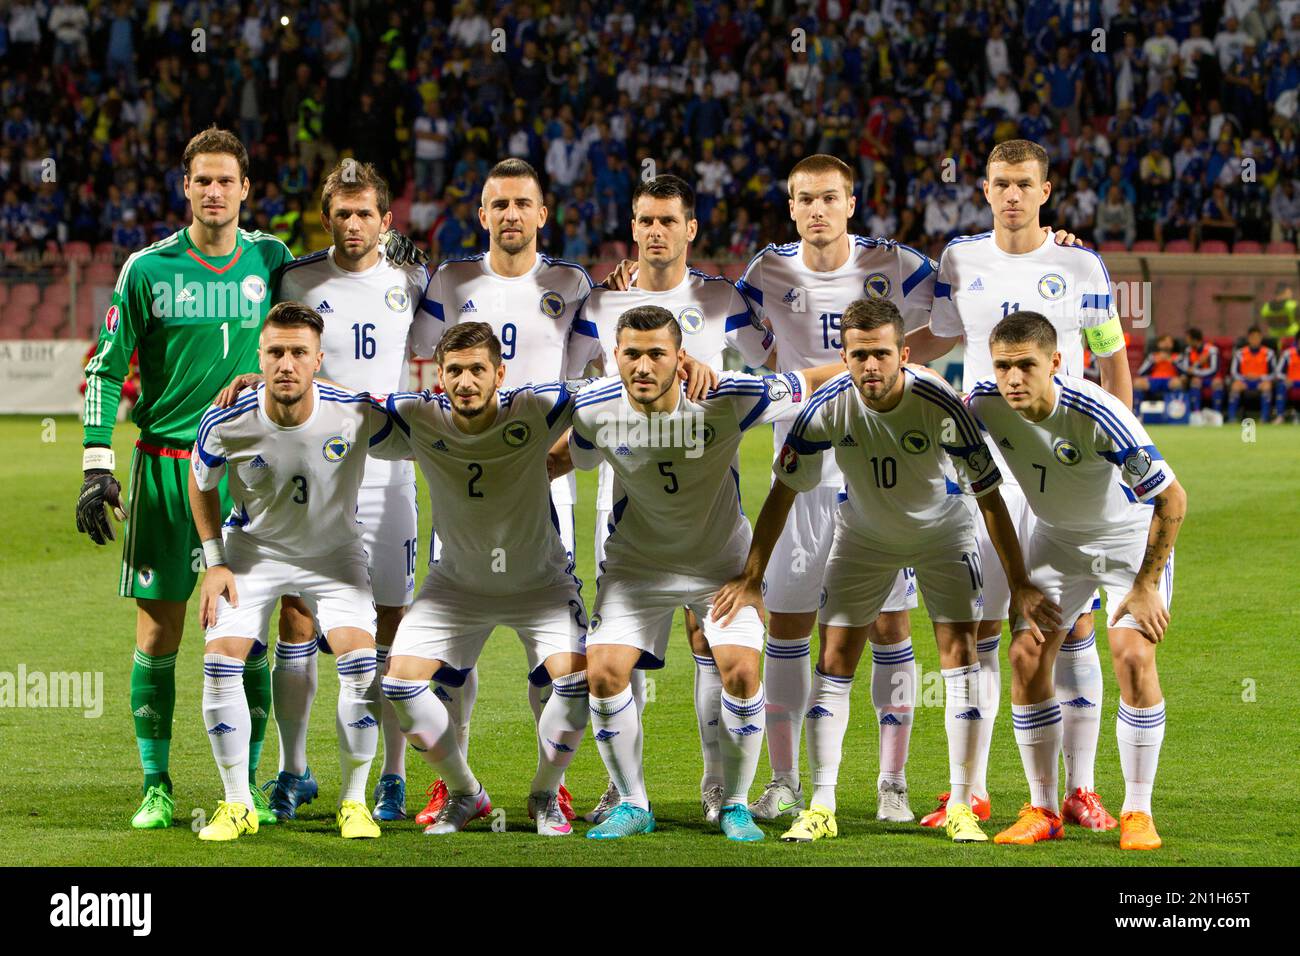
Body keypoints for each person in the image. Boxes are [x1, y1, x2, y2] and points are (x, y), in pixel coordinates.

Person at [713, 298, 1058, 845]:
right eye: (857, 355)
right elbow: (783, 492)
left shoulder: (939, 403)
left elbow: (990, 498)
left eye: (880, 353)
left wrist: (1017, 584)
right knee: (834, 660)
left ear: (903, 353)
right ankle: (821, 804)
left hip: (943, 533)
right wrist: (753, 578)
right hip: (863, 537)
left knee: (960, 659)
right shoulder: (828, 406)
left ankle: (962, 804)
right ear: (844, 356)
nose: (869, 366)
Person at [906, 139, 1132, 831]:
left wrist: (1121, 454)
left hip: (1066, 471)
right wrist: (860, 364)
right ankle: (967, 790)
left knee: (1072, 627)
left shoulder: (1079, 262)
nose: (1010, 194)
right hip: (980, 469)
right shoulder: (960, 259)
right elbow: (938, 340)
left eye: (1023, 184)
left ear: (1045, 189)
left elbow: (1111, 359)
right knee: (975, 628)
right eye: (1000, 183)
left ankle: (1081, 789)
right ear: (984, 187)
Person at [557, 305, 842, 841]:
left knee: (739, 671)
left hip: (719, 567)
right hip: (636, 567)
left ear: (679, 358)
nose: (643, 366)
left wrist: (864, 361)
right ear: (614, 356)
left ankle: (734, 803)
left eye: (656, 354)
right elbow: (549, 449)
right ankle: (634, 804)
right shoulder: (592, 406)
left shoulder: (729, 397)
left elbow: (808, 379)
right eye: (632, 354)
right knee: (603, 672)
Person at [77, 129, 292, 830]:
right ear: (186, 186)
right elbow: (106, 368)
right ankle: (156, 785)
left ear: (245, 189)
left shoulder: (273, 259)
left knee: (248, 633)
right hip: (168, 468)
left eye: (226, 180)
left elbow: (318, 322)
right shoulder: (148, 269)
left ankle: (250, 784)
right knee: (157, 631)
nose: (214, 191)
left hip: (250, 473)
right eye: (202, 179)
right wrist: (94, 463)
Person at [218, 160, 435, 824]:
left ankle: (392, 778)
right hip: (308, 476)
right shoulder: (299, 279)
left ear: (384, 220)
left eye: (364, 213)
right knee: (296, 618)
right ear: (325, 217)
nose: (351, 225)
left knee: (389, 625)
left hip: (387, 476)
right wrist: (252, 381)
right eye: (340, 213)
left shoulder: (414, 278)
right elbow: (278, 348)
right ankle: (293, 768)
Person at [565, 175, 774, 825]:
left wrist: (725, 379)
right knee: (618, 650)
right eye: (645, 220)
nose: (655, 231)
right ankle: (621, 788)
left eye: (668, 221)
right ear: (633, 228)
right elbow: (571, 379)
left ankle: (718, 787)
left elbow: (774, 359)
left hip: (708, 490)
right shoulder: (601, 304)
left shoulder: (720, 299)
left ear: (690, 229)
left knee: (706, 638)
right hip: (626, 493)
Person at [733, 154, 932, 823]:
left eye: (828, 198)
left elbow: (959, 312)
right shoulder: (766, 270)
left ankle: (892, 786)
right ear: (790, 208)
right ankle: (786, 781)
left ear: (852, 203)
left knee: (888, 624)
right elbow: (731, 332)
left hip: (877, 468)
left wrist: (884, 372)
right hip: (799, 465)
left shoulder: (897, 263)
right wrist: (798, 386)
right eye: (803, 199)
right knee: (787, 624)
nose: (816, 210)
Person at [409, 158, 594, 826]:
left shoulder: (572, 284)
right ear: (481, 214)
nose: (511, 214)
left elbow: (590, 387)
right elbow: (429, 368)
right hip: (468, 488)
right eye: (499, 204)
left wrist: (558, 455)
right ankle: (453, 784)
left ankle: (555, 784)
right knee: (451, 655)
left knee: (551, 655)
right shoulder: (453, 281)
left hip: (547, 489)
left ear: (543, 214)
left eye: (523, 203)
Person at [966, 312, 1185, 851]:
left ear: (1056, 363)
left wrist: (1145, 585)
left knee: (1132, 654)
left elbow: (1172, 500)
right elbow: (989, 496)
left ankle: (1138, 810)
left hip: (1126, 538)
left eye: (1026, 366)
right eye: (1003, 366)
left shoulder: (1096, 413)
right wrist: (1018, 581)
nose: (1013, 378)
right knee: (1026, 654)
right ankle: (1042, 806)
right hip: (1057, 538)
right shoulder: (983, 405)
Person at [373, 322, 592, 837]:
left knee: (577, 682)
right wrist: (267, 384)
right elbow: (340, 403)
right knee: (399, 685)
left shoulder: (537, 407)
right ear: (439, 375)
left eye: (477, 370)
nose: (465, 381)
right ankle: (466, 792)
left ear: (500, 373)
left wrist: (688, 367)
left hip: (539, 583)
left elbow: (616, 387)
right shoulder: (416, 415)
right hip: (456, 585)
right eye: (454, 371)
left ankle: (545, 792)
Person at [189, 302, 388, 842]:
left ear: (317, 360)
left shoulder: (356, 411)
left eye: (298, 352)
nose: (286, 364)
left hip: (335, 554)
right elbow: (201, 485)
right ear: (260, 357)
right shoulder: (226, 420)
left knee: (360, 659)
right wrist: (214, 563)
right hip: (252, 552)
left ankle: (354, 801)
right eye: (275, 352)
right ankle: (236, 804)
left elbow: (429, 422)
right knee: (220, 660)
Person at [1228, 326, 1277, 421]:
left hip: (1261, 382)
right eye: (1252, 338)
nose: (1255, 340)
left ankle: (1264, 418)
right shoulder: (1240, 353)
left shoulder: (1269, 353)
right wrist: (1245, 377)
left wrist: (1260, 377)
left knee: (1267, 386)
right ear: (1248, 339)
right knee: (1235, 386)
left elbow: (1274, 373)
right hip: (1244, 381)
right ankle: (1232, 418)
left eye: (1257, 337)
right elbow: (1233, 372)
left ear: (1261, 338)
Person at [1176, 327, 1224, 413]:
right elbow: (1186, 368)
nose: (1186, 341)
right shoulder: (1188, 350)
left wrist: (1195, 371)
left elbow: (1214, 370)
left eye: (1188, 339)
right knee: (1195, 381)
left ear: (1194, 339)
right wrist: (1198, 363)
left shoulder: (1211, 350)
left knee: (1217, 382)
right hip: (1196, 377)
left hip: (1211, 377)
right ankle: (1195, 412)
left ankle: (1217, 413)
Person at [1134, 334, 1185, 408]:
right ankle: (1137, 412)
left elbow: (1184, 371)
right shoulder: (1152, 356)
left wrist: (1173, 362)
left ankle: (1175, 412)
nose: (1167, 343)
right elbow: (1140, 372)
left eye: (1169, 341)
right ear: (1158, 344)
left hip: (1170, 380)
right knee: (1137, 383)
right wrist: (1153, 362)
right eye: (1164, 341)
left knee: (1177, 383)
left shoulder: (1177, 357)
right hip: (1154, 380)